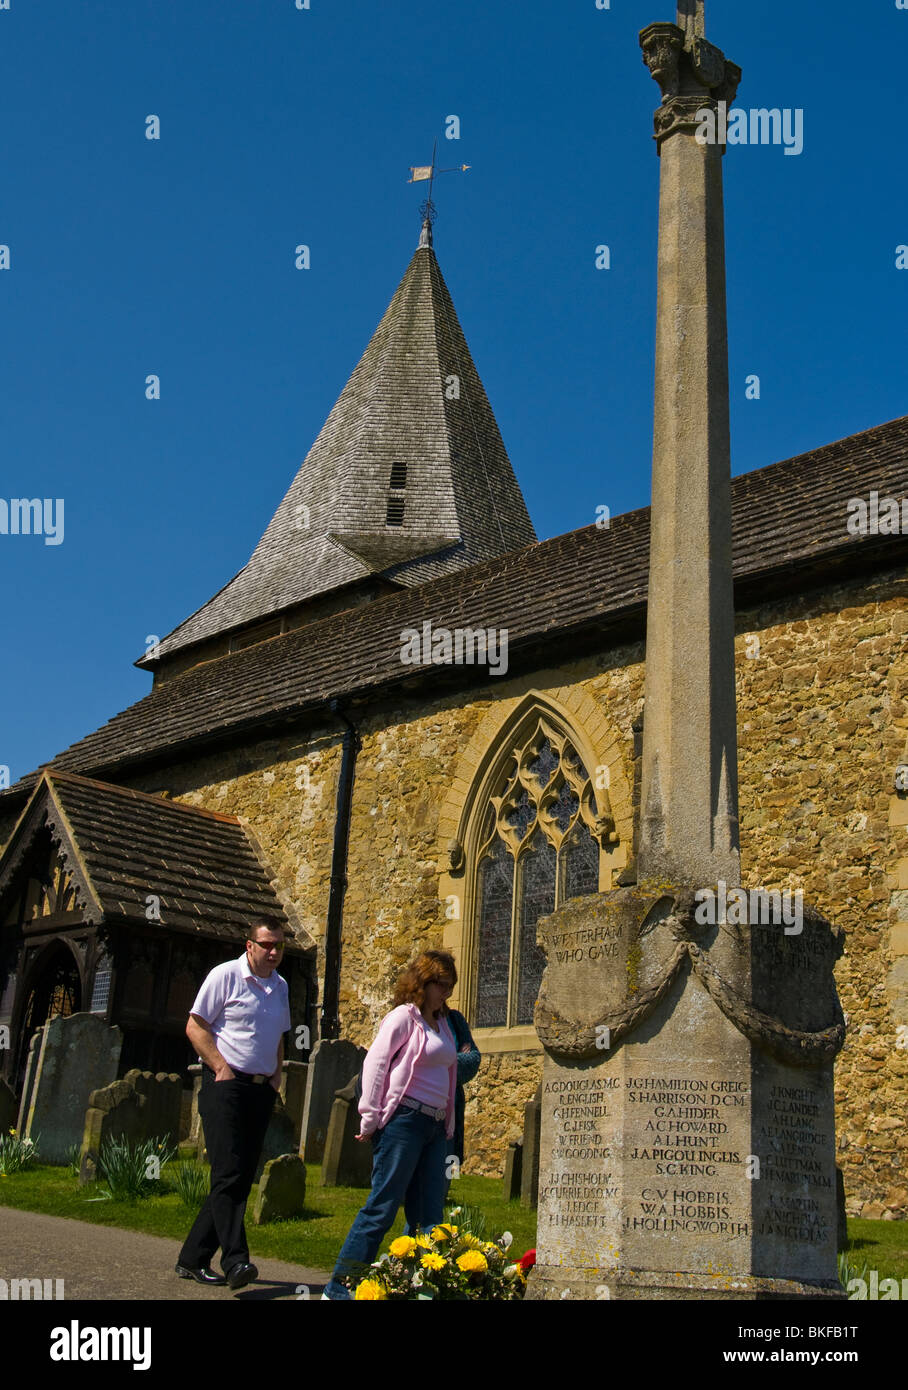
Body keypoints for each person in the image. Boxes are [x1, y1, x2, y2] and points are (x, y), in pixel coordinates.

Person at [322, 949, 461, 1300]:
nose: (447, 992)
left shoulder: (442, 1023)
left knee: (429, 1216)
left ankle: (422, 1290)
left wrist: (448, 1124)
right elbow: (376, 1065)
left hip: (434, 1126)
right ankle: (339, 1289)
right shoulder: (403, 1017)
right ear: (422, 982)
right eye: (441, 984)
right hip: (404, 1121)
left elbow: (450, 1072)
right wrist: (370, 1116)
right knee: (382, 1207)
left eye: (451, 985)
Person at [175, 916, 290, 1290]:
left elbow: (278, 1035)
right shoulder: (225, 976)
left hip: (259, 1089)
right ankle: (236, 1260)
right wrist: (220, 1066)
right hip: (225, 1085)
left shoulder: (281, 986)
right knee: (227, 1172)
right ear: (250, 945)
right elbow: (195, 1025)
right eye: (267, 944)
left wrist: (276, 1073)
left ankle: (192, 1258)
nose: (273, 952)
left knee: (240, 1176)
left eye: (279, 946)